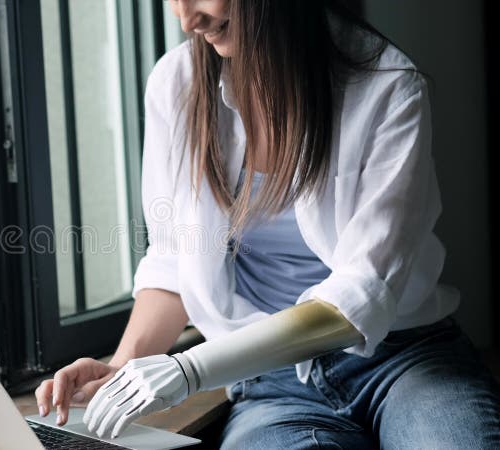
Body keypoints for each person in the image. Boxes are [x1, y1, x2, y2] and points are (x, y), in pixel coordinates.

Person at [35, 0, 500, 447]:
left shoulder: (387, 86)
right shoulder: (176, 84)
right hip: (272, 385)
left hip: (405, 358)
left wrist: (192, 368)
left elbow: (361, 296)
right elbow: (174, 260)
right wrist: (122, 366)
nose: (186, 19)